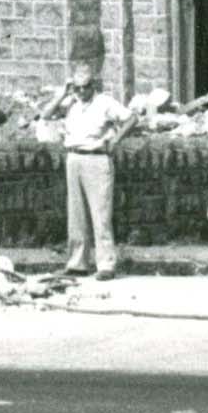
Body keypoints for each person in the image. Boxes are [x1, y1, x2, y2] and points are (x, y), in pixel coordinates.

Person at [55, 60, 129, 279]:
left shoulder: (105, 102)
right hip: (74, 158)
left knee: (100, 213)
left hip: (97, 159)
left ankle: (106, 264)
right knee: (76, 215)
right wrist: (62, 94)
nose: (81, 91)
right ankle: (78, 262)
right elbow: (47, 113)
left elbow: (131, 118)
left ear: (93, 85)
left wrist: (116, 139)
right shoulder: (71, 103)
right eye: (77, 87)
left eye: (85, 86)